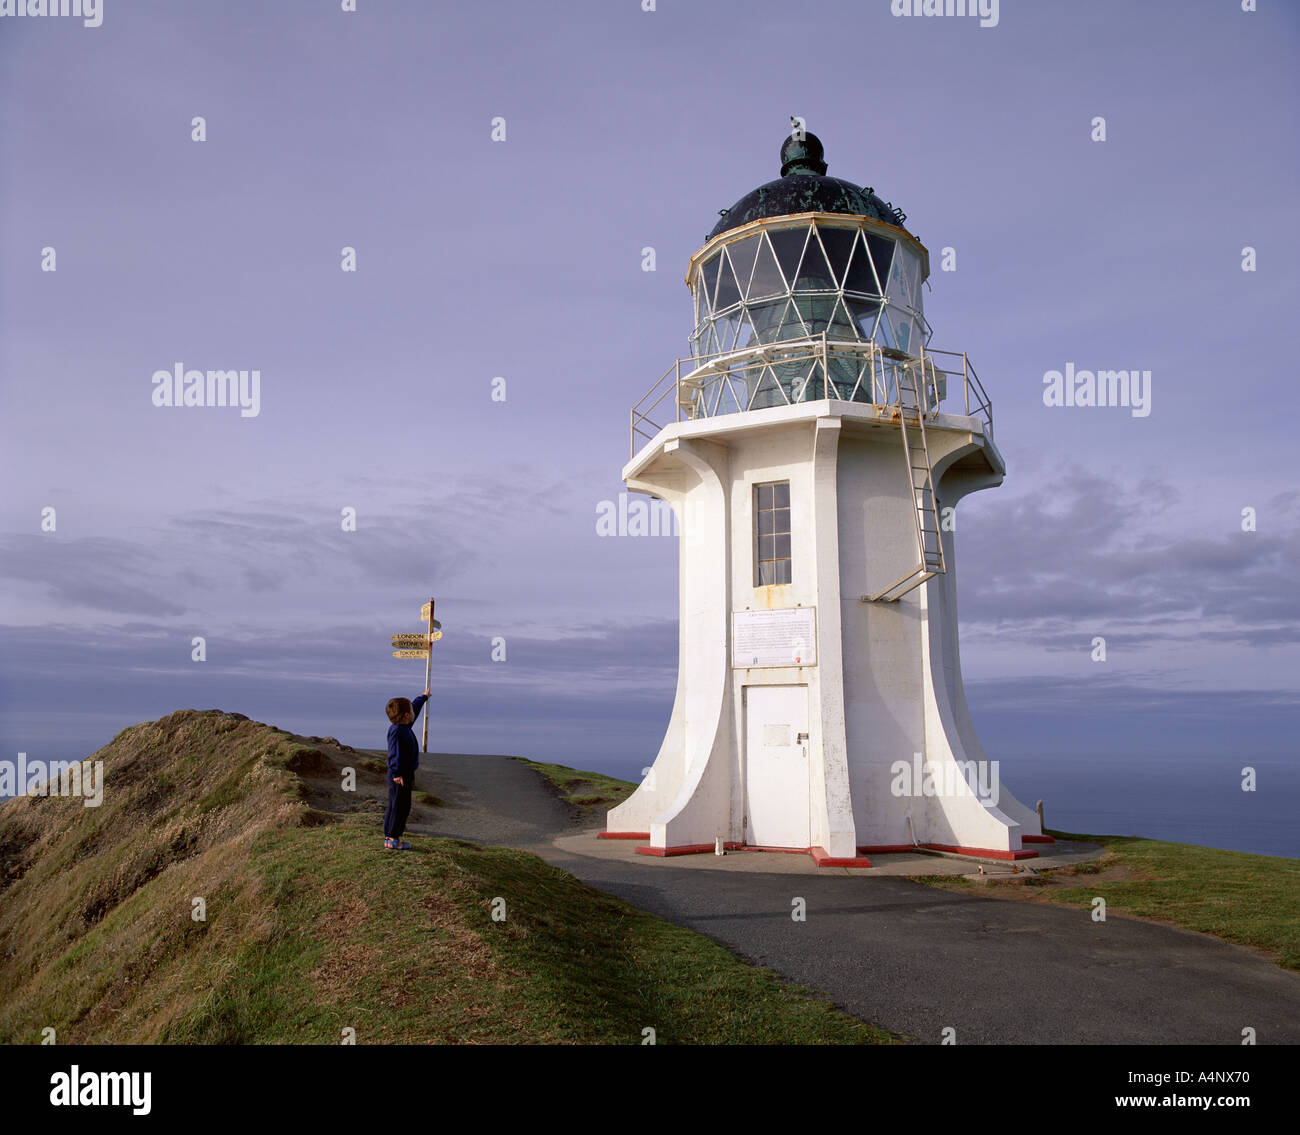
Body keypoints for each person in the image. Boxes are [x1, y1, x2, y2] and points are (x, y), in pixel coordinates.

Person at [383, 689, 429, 850]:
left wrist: (422, 698)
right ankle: (393, 838)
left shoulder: (403, 726)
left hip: (403, 774)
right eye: (409, 710)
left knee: (398, 805)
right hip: (399, 775)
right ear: (405, 716)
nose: (412, 712)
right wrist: (397, 773)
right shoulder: (397, 732)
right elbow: (394, 754)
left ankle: (390, 836)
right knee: (400, 807)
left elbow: (414, 710)